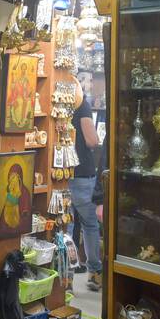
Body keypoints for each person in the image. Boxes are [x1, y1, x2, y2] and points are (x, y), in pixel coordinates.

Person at [70, 82, 103, 292]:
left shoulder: (62, 104)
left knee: (67, 226)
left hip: (63, 173)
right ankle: (94, 273)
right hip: (83, 173)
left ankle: (65, 279)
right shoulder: (83, 105)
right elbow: (91, 140)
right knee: (90, 224)